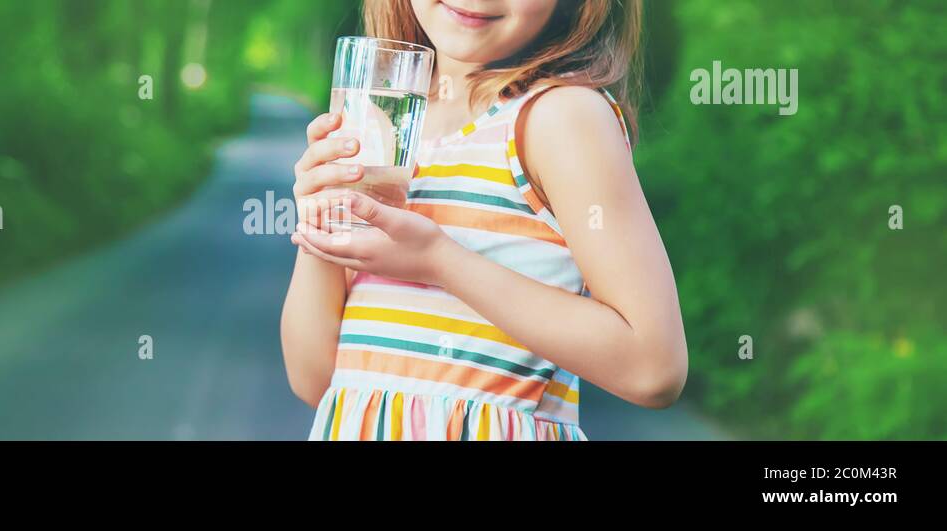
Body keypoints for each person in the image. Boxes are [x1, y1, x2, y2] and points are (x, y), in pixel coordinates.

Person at [281, 0, 687, 440]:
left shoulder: (560, 117)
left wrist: (440, 262)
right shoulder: (385, 117)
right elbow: (316, 382)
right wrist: (321, 222)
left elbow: (653, 368)